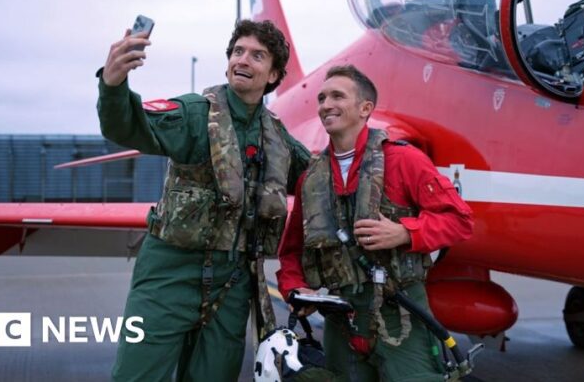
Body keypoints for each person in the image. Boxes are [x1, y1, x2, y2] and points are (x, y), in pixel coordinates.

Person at [98, 19, 310, 381]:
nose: (243, 60)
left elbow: (320, 180)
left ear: (274, 74)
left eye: (257, 56)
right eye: (238, 52)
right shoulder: (194, 114)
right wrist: (114, 85)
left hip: (233, 284)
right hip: (170, 274)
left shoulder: (278, 137)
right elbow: (130, 127)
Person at [276, 64, 473, 381]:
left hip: (400, 312)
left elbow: (459, 220)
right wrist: (295, 288)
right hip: (342, 317)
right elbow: (292, 251)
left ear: (365, 108)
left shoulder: (404, 160)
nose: (326, 105)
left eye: (338, 96)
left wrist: (404, 232)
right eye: (322, 97)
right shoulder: (311, 180)